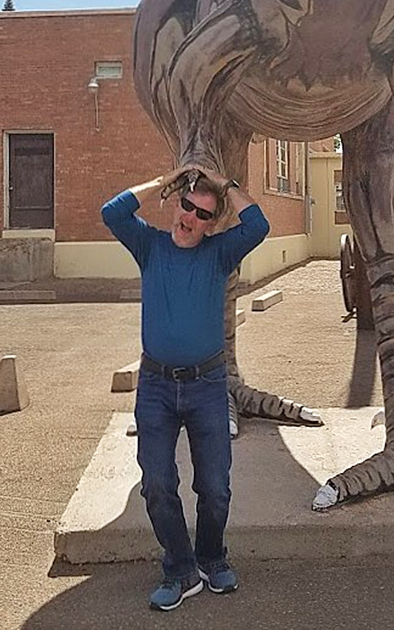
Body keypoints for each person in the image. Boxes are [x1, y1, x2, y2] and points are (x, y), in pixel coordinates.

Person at [101, 165, 270, 612]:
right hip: (155, 386)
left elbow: (259, 224)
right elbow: (112, 212)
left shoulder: (219, 253)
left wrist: (224, 184)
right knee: (157, 484)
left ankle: (212, 558)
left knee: (214, 487)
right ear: (177, 205)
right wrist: (162, 182)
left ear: (212, 223)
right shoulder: (150, 246)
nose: (190, 217)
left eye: (202, 213)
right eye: (187, 205)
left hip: (208, 386)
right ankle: (179, 568)